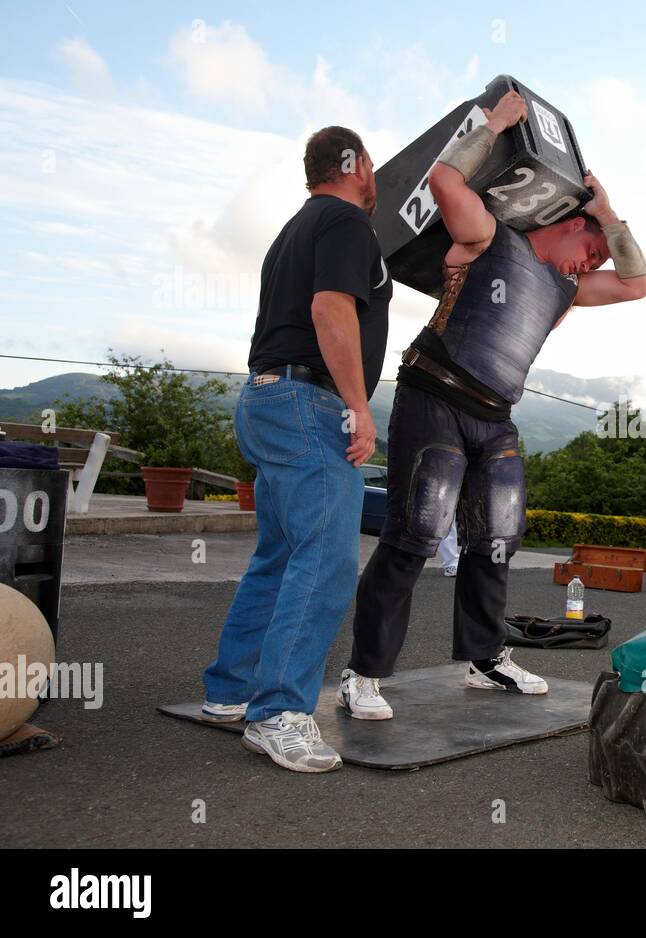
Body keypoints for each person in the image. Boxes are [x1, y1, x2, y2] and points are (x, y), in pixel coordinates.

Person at [338, 90, 646, 720]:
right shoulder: (489, 235)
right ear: (563, 223)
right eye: (591, 244)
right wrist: (494, 124)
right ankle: (363, 673)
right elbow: (447, 180)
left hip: (495, 418)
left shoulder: (565, 290)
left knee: (497, 539)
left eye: (598, 252)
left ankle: (486, 659)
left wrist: (609, 212)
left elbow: (639, 283)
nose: (596, 257)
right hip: (436, 398)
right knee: (413, 535)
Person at [201, 126, 391, 773]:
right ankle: (278, 711)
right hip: (308, 404)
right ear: (356, 164)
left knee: (280, 555)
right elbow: (329, 310)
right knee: (330, 557)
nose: (375, 174)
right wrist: (359, 407)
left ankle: (231, 690)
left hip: (265, 399)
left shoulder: (294, 229)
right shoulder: (345, 221)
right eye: (371, 164)